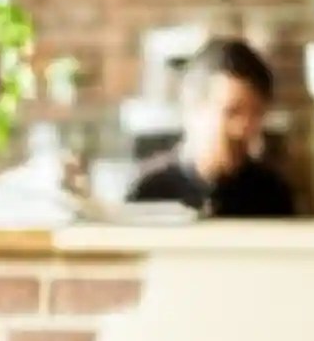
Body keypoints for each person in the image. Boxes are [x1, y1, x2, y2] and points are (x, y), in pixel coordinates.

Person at [125, 38, 296, 217]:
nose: (243, 128)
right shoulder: (149, 192)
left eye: (256, 115)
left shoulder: (271, 195)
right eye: (232, 112)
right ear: (193, 107)